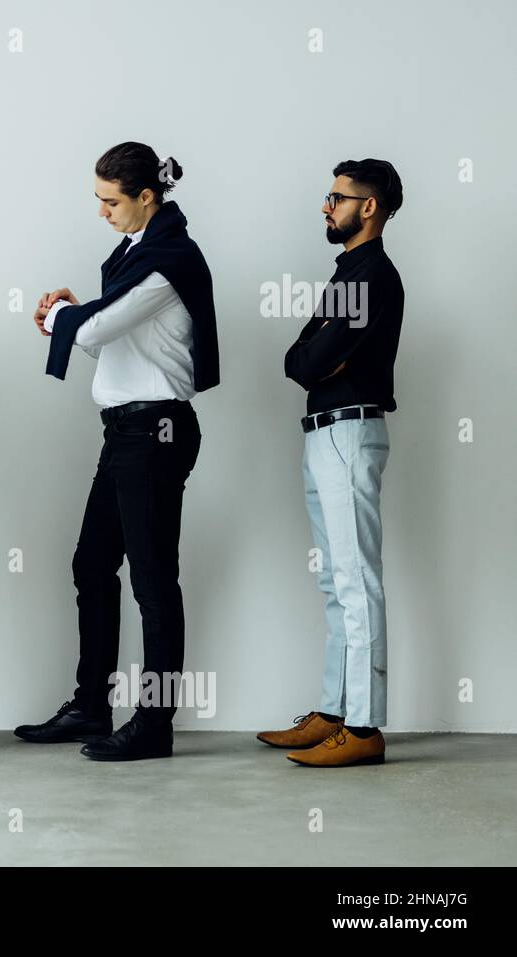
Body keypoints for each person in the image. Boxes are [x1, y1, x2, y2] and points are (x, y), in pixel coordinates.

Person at [17, 142, 219, 761]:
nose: (102, 212)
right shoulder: (134, 255)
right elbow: (101, 342)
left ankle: (155, 725)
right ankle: (91, 705)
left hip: (155, 432)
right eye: (98, 200)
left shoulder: (167, 260)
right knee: (91, 564)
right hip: (127, 432)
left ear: (146, 198)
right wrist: (71, 318)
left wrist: (62, 315)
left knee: (154, 581)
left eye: (111, 201)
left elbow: (98, 328)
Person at [259, 159, 405, 768]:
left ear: (367, 207)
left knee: (355, 577)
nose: (327, 206)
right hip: (325, 434)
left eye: (337, 198)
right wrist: (319, 351)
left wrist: (321, 352)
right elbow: (301, 360)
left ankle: (365, 728)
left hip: (349, 432)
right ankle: (334, 711)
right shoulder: (349, 273)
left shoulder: (370, 277)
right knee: (333, 579)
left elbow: (312, 361)